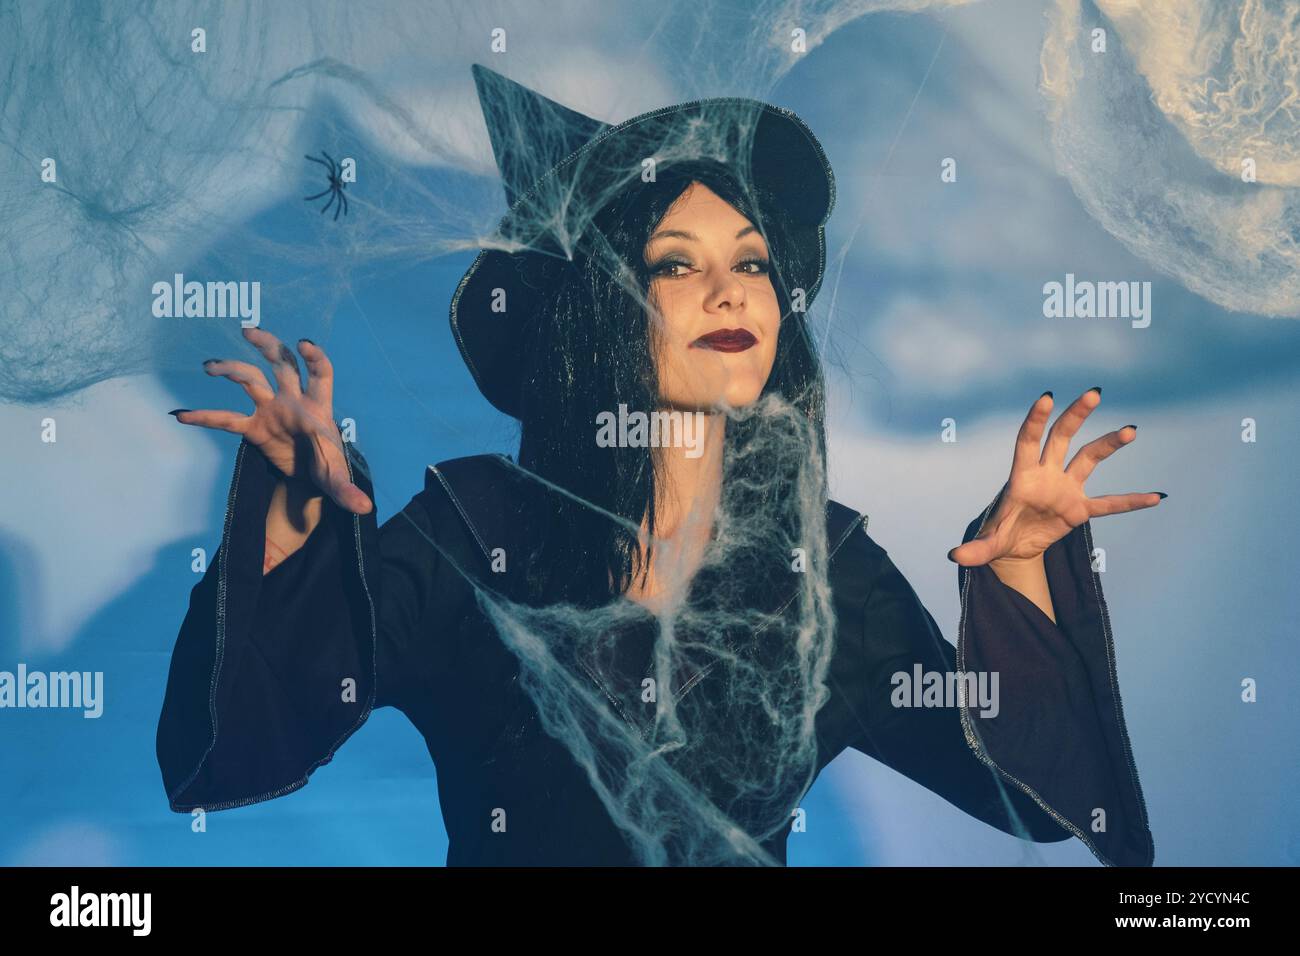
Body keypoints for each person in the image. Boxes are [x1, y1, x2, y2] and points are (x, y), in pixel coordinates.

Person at [155, 64, 1157, 867]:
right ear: (601, 312)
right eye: (678, 263)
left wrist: (1020, 567)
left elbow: (1027, 797)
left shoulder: (829, 573)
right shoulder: (479, 532)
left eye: (754, 261)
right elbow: (254, 733)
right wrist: (292, 513)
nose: (730, 291)